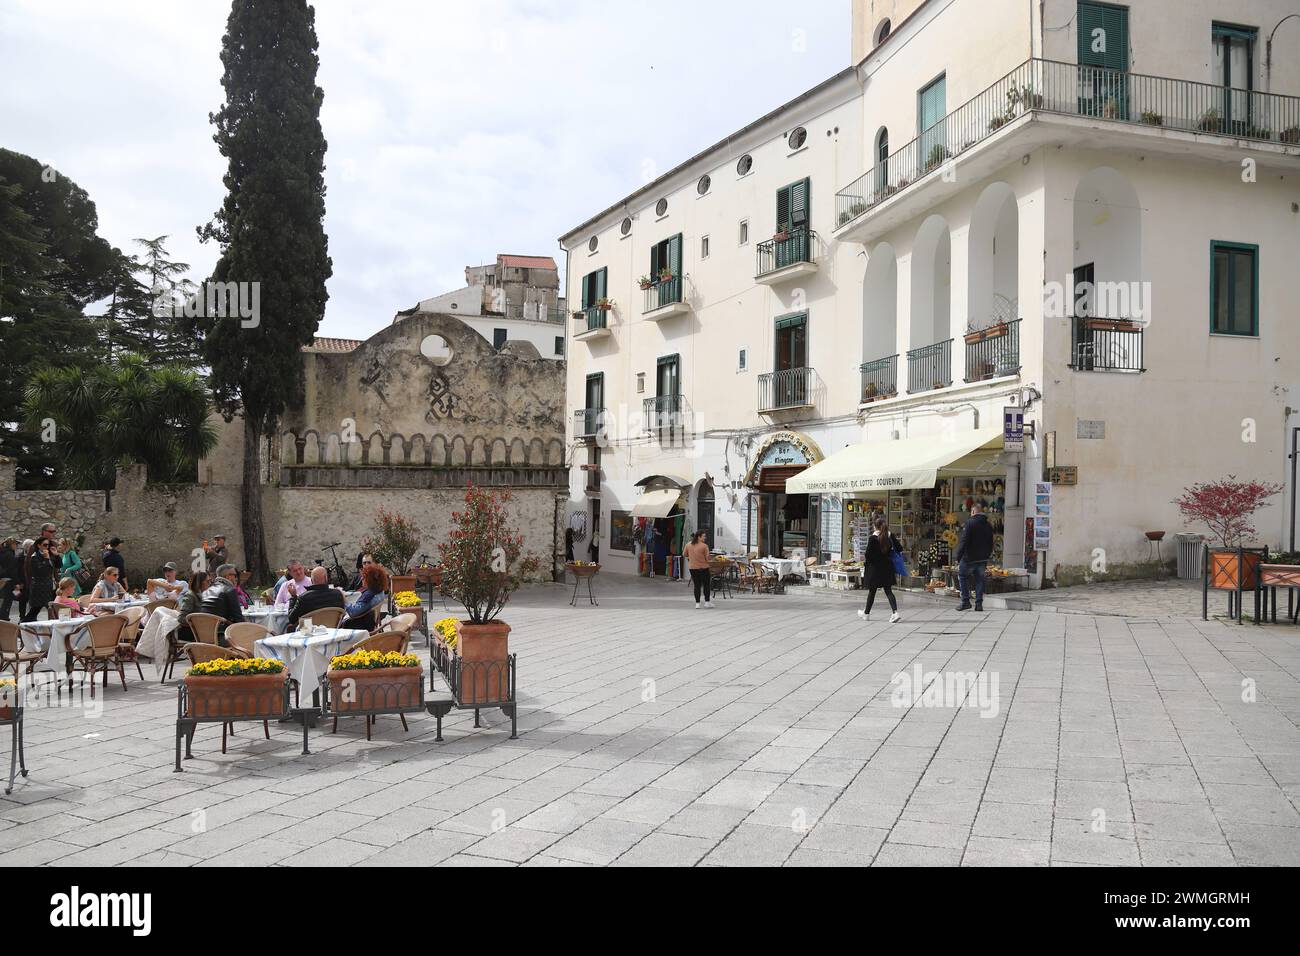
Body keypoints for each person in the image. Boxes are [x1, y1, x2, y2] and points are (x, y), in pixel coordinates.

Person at [858, 518, 902, 624]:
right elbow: (900, 548)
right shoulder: (889, 536)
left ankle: (867, 614)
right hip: (887, 568)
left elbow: (868, 554)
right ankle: (895, 612)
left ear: (875, 526)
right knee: (888, 591)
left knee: (872, 591)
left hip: (875, 569)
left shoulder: (873, 538)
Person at [955, 502, 995, 612]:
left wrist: (958, 556)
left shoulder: (970, 523)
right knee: (979, 580)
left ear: (973, 511)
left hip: (969, 558)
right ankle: (979, 604)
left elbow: (964, 541)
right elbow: (991, 542)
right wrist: (987, 554)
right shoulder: (988, 525)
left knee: (962, 577)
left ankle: (966, 602)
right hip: (982, 558)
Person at [198, 563, 245, 633]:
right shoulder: (229, 590)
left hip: (204, 635)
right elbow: (239, 619)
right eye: (235, 575)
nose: (236, 578)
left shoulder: (206, 591)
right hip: (223, 635)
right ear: (228, 576)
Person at [344, 563, 389, 632]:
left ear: (370, 580)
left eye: (364, 577)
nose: (361, 578)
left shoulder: (369, 596)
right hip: (369, 624)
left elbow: (352, 612)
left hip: (359, 627)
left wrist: (343, 599)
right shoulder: (380, 592)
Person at [21, 537, 57, 622]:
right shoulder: (35, 557)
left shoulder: (48, 554)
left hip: (48, 586)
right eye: (45, 545)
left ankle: (24, 625)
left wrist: (56, 555)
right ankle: (22, 625)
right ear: (38, 545)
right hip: (39, 587)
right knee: (35, 609)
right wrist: (46, 558)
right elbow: (41, 571)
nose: (47, 547)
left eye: (48, 545)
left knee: (47, 608)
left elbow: (59, 565)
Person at [175, 571, 209, 644]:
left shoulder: (204, 595)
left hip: (200, 630)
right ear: (200, 582)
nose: (210, 583)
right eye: (207, 581)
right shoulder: (190, 596)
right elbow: (181, 618)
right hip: (190, 631)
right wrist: (198, 622)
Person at [684, 531, 713, 609]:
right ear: (699, 537)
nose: (705, 538)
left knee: (697, 586)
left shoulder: (688, 544)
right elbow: (707, 558)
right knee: (706, 585)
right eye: (704, 536)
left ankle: (697, 604)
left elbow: (684, 554)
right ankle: (707, 602)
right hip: (703, 568)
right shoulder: (704, 546)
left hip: (692, 568)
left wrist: (691, 557)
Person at [0, 537, 19, 621]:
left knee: (4, 599)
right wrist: (16, 582)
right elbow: (12, 569)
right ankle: (4, 617)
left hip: (2, 579)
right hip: (8, 580)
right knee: (7, 600)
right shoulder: (9, 554)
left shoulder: (3, 552)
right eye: (16, 544)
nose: (17, 546)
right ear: (11, 544)